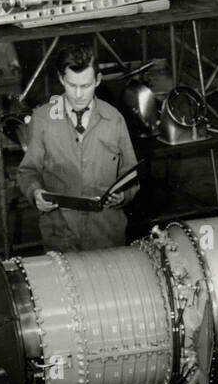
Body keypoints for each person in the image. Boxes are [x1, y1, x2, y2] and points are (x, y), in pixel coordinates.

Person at [17, 44, 138, 253]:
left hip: (107, 234)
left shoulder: (114, 119)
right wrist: (36, 193)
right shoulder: (43, 119)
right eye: (72, 85)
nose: (79, 94)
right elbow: (28, 172)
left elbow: (131, 173)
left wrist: (124, 195)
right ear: (61, 79)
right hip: (60, 234)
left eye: (87, 85)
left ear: (98, 80)